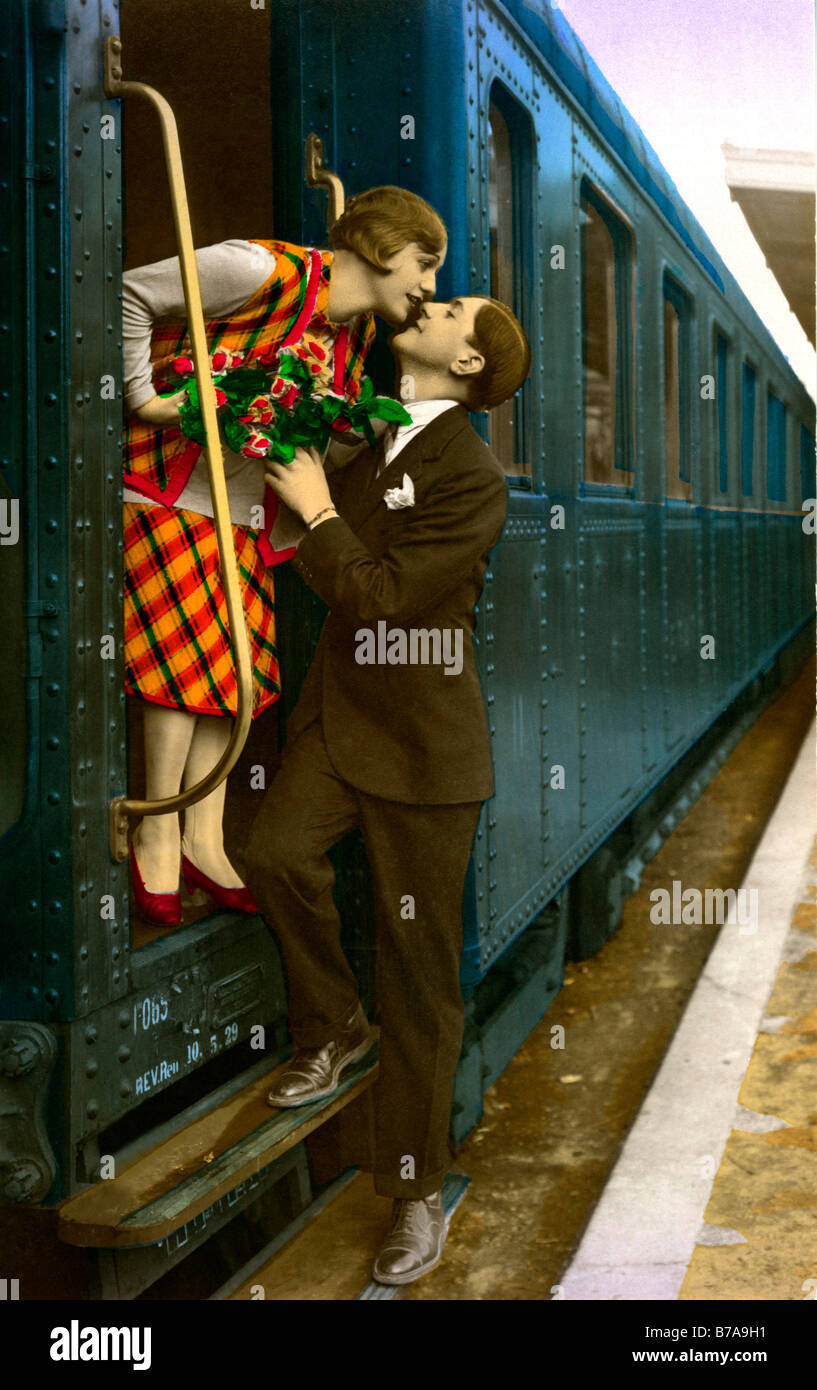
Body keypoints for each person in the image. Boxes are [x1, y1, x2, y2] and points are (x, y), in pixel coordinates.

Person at [244, 293, 531, 1285]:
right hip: (340, 717)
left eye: (452, 306)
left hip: (423, 748)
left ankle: (415, 1187)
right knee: (272, 852)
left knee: (420, 973)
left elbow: (382, 598)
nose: (431, 302)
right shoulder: (364, 429)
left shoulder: (472, 477)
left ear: (470, 363)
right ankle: (334, 1027)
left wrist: (318, 508)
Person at [121, 187, 446, 925]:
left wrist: (347, 435)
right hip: (166, 487)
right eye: (422, 264)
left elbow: (307, 435)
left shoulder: (350, 336)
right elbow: (132, 293)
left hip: (234, 509)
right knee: (184, 666)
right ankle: (157, 831)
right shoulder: (258, 271)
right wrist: (146, 400)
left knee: (233, 672)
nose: (427, 287)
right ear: (379, 247)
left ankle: (204, 835)